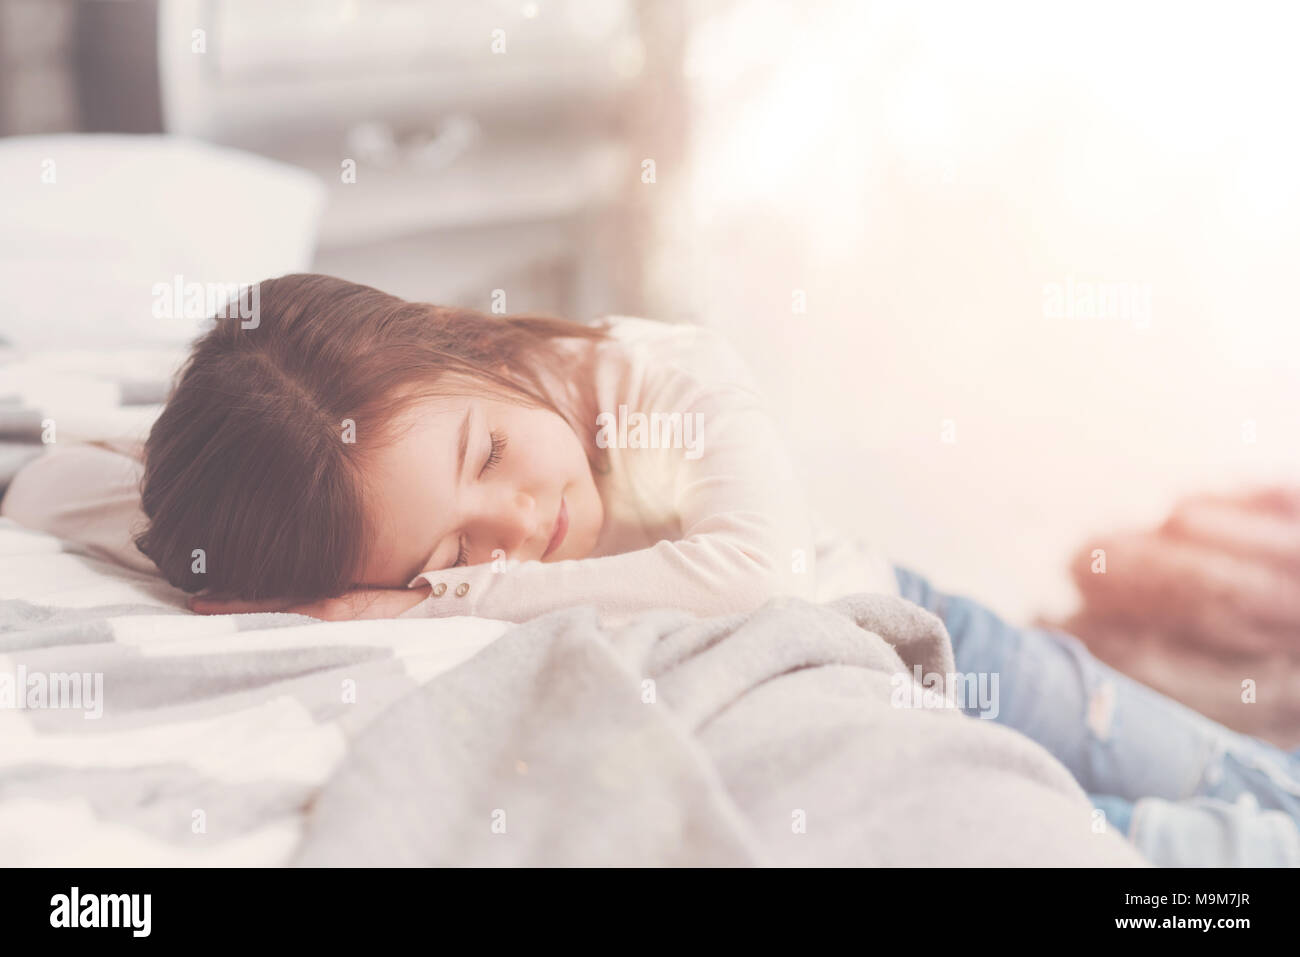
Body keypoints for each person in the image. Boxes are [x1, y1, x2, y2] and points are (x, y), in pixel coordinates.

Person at [4, 272, 1298, 865]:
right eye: (453, 548)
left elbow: (748, 580)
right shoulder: (363, 469)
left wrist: (453, 587)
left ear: (472, 347)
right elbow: (94, 483)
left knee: (1222, 776)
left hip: (964, 643)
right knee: (1163, 844)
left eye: (491, 452)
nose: (523, 521)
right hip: (882, 676)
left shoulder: (661, 379)